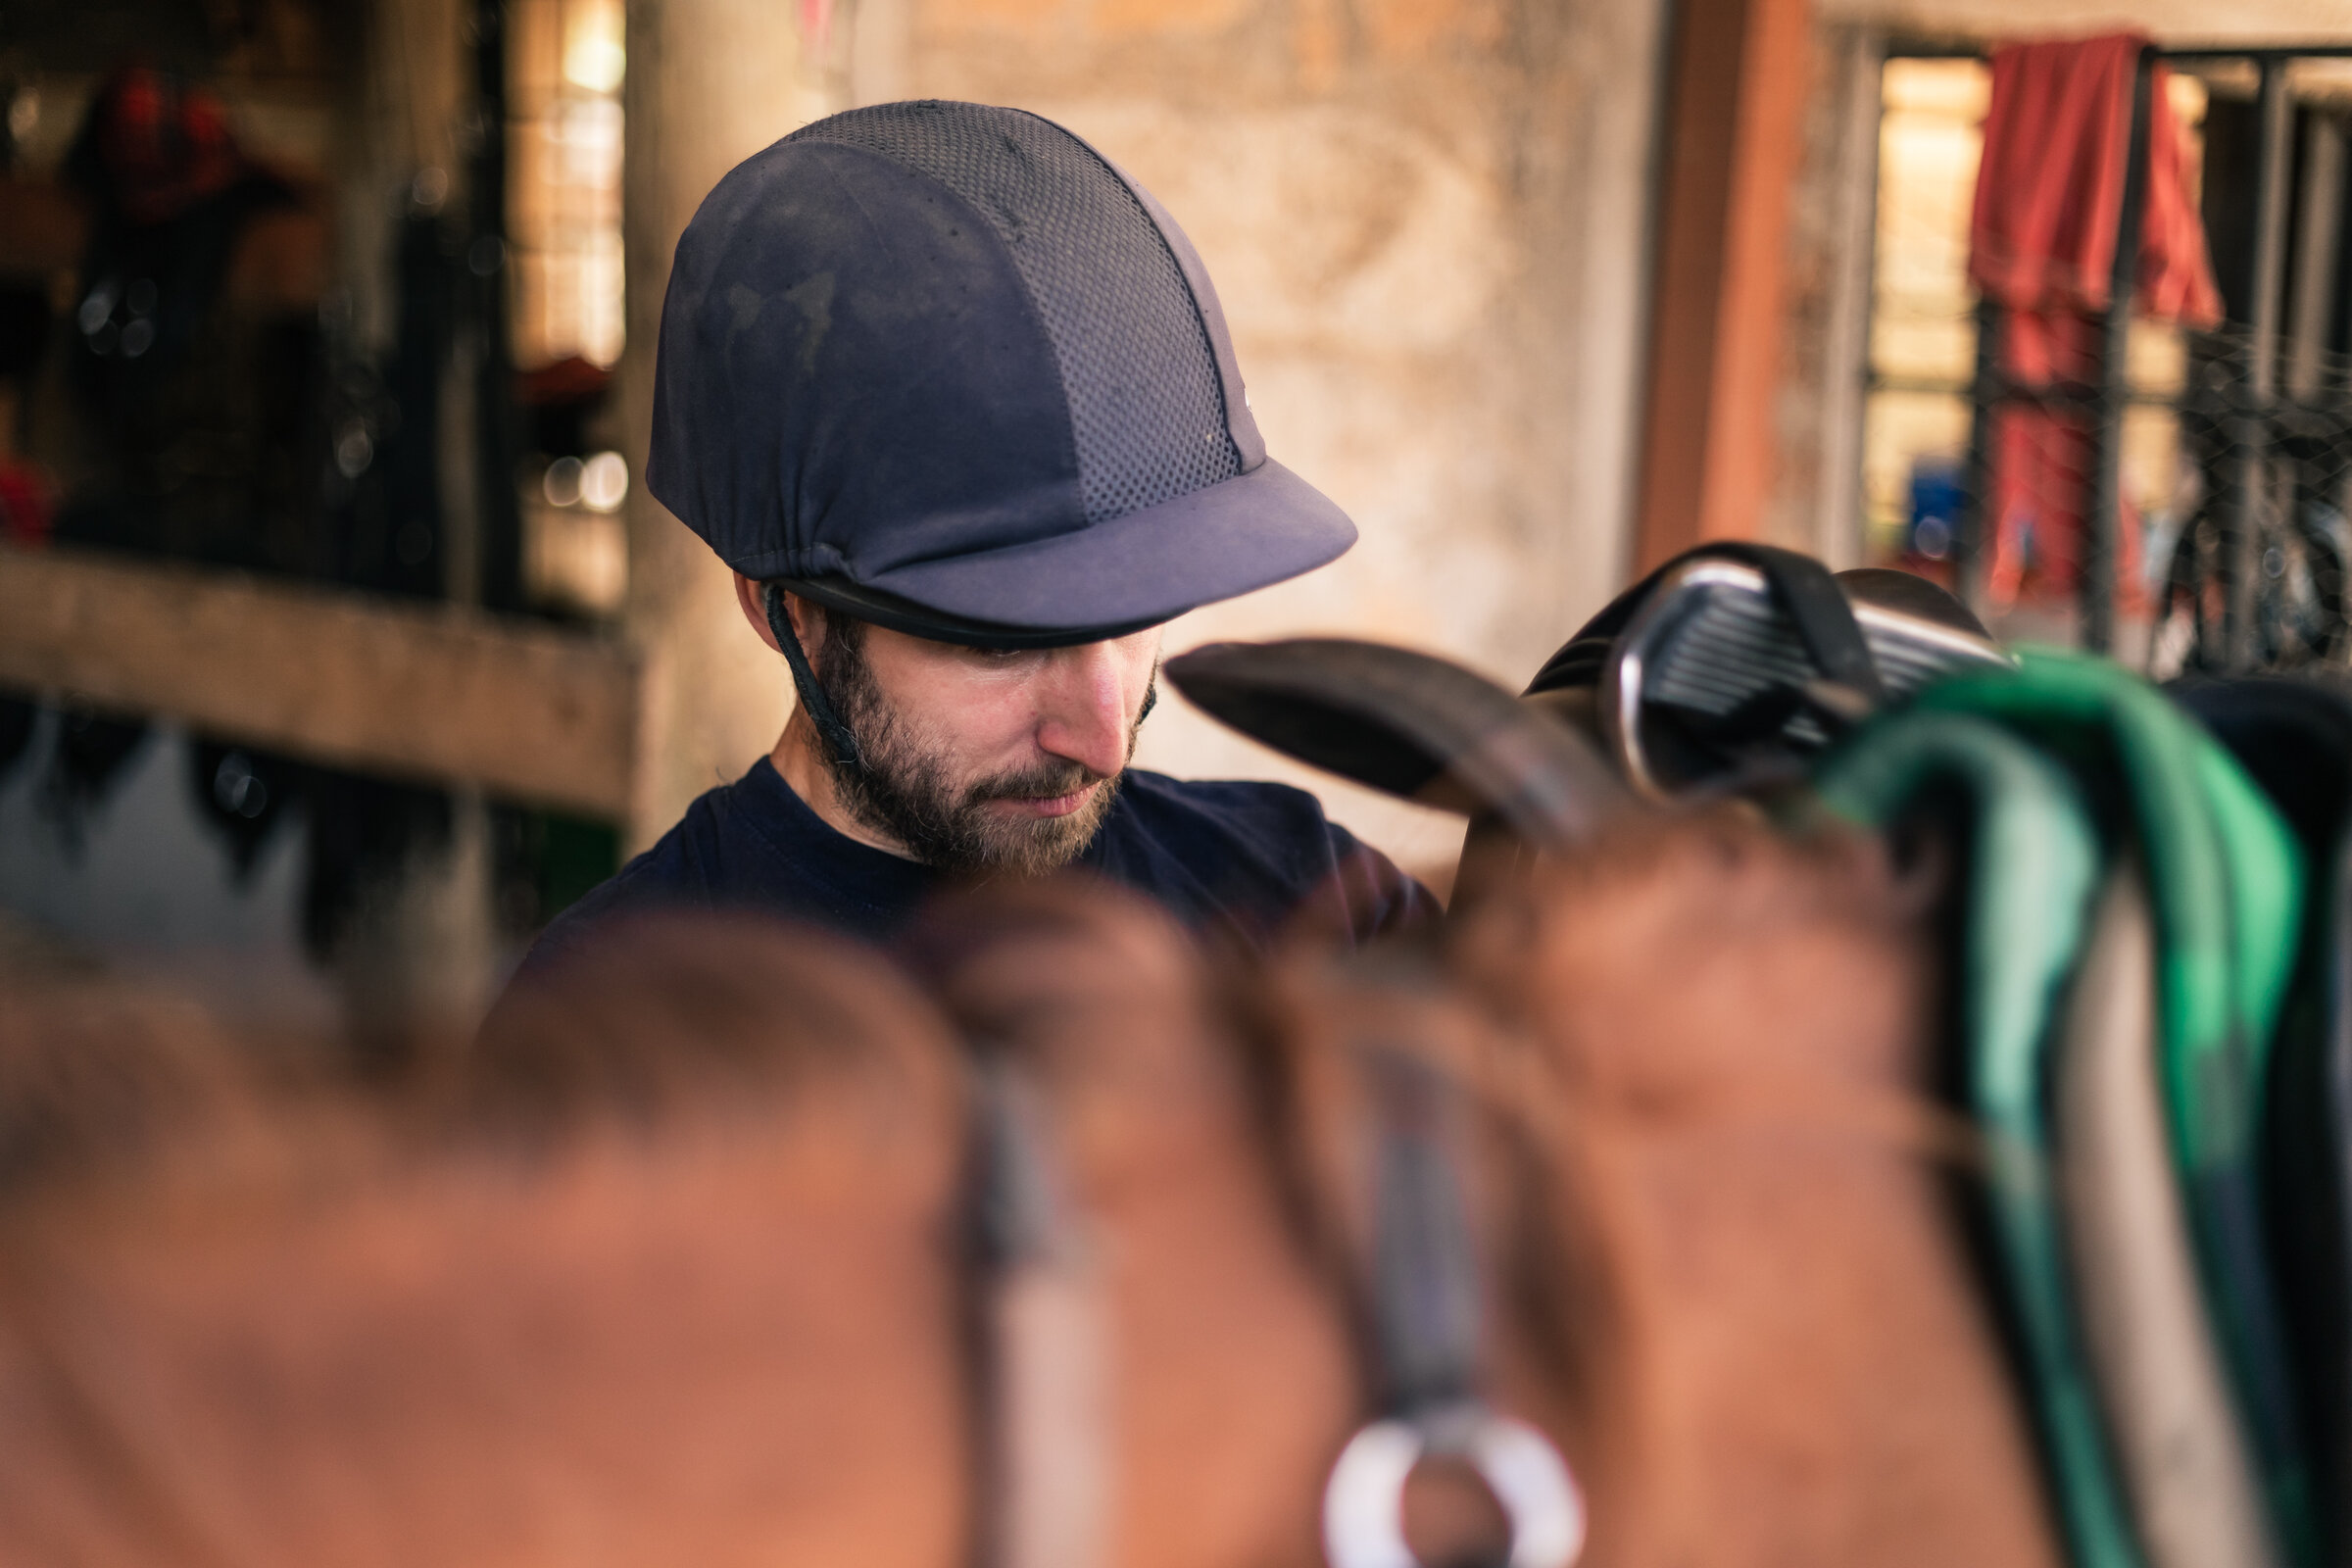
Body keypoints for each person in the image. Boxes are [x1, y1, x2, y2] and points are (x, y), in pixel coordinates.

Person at [527, 100, 1432, 966]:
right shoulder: (610, 1038)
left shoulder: (1315, 908)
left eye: (1132, 615)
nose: (1105, 738)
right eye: (1001, 644)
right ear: (784, 613)